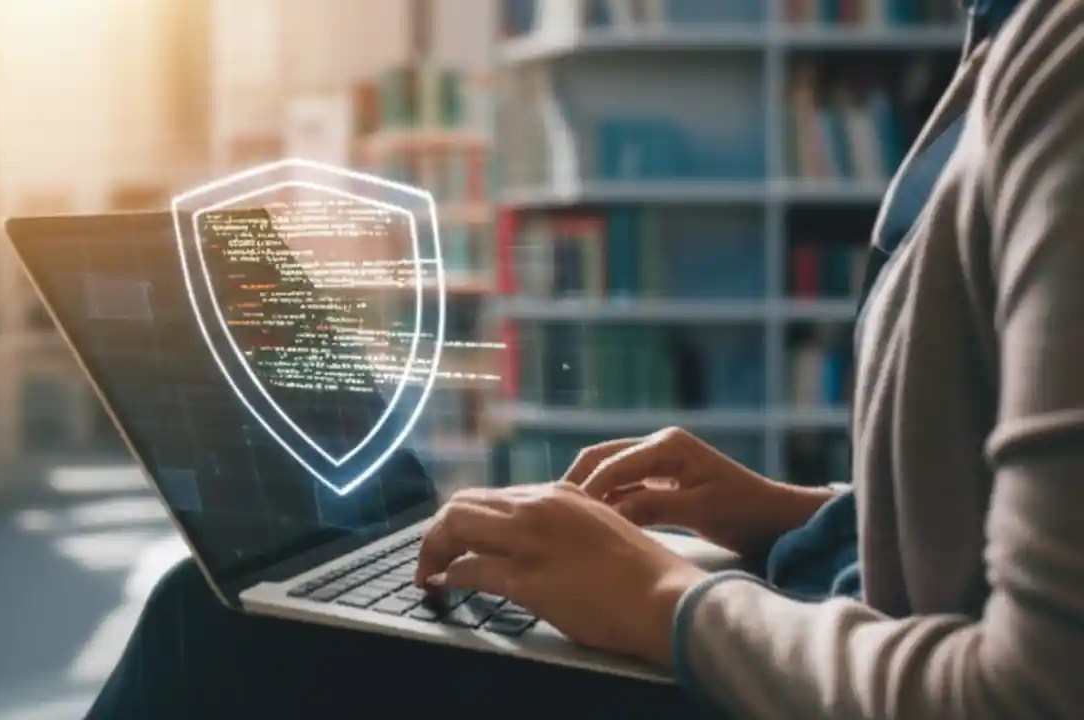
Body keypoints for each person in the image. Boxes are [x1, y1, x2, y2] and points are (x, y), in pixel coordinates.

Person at [90, 0, 1084, 716]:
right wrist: (795, 517)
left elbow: (1033, 690)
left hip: (818, 672)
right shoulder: (1005, 39)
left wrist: (660, 600)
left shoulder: (1061, 59)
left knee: (219, 627)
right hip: (824, 623)